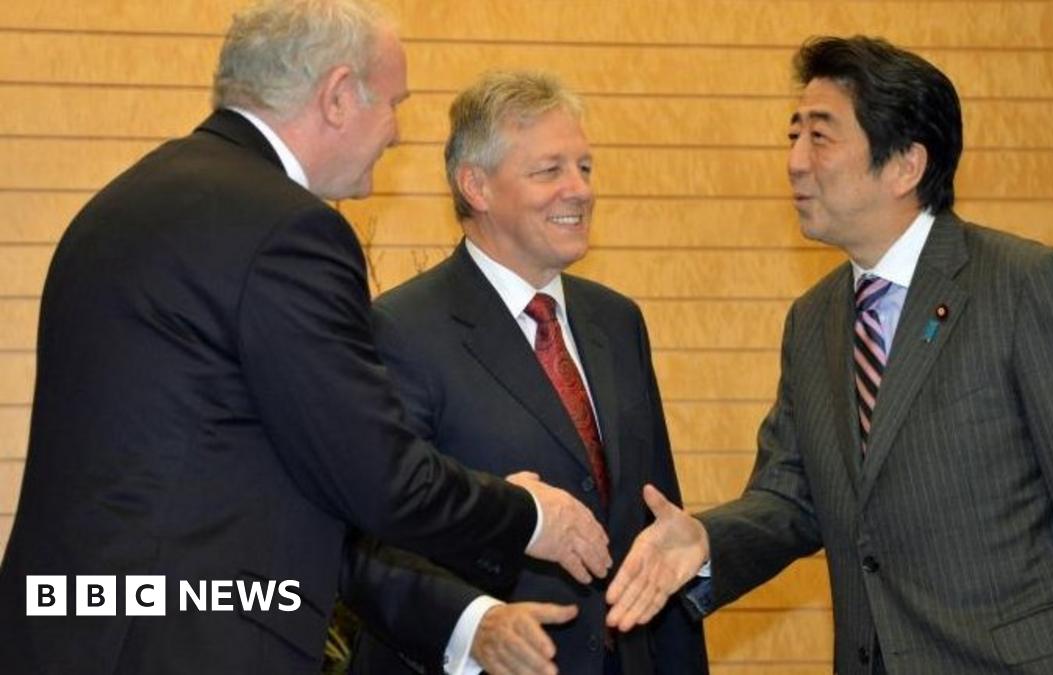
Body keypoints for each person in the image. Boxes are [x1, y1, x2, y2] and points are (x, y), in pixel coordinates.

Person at [0, 2, 611, 673]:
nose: (396, 134)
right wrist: (526, 513)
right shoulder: (287, 230)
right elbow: (375, 473)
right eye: (393, 103)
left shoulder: (124, 203)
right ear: (340, 95)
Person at [605, 35, 1053, 673]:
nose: (796, 162)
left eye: (821, 137)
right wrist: (707, 541)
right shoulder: (814, 319)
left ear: (905, 165)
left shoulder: (1025, 286)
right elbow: (790, 495)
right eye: (793, 135)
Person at [343, 71, 708, 675]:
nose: (580, 190)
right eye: (550, 171)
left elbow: (659, 524)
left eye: (585, 168)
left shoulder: (617, 322)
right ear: (476, 186)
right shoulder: (398, 329)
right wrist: (476, 622)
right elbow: (369, 542)